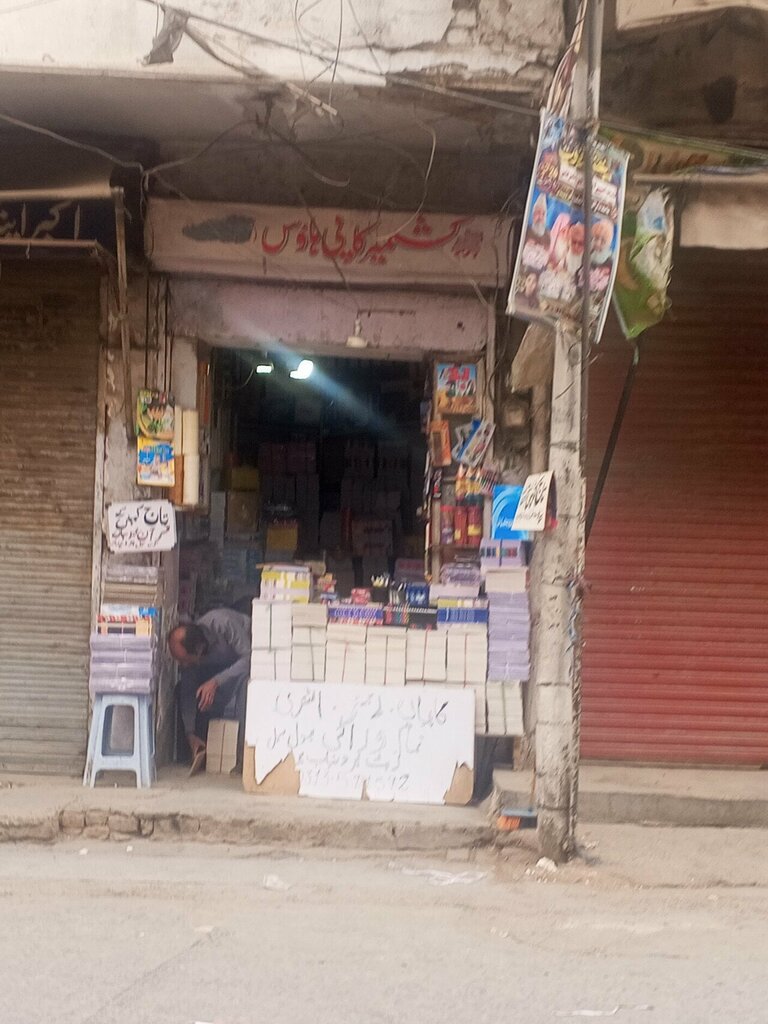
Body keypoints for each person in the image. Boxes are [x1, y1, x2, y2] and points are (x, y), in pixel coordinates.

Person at [168, 608, 251, 775]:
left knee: (246, 692)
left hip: (248, 663)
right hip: (222, 667)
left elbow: (249, 658)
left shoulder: (222, 622)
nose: (183, 665)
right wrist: (190, 733)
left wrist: (215, 682)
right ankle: (199, 749)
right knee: (189, 691)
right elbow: (187, 690)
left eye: (185, 660)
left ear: (198, 650)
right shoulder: (191, 659)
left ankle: (242, 760)